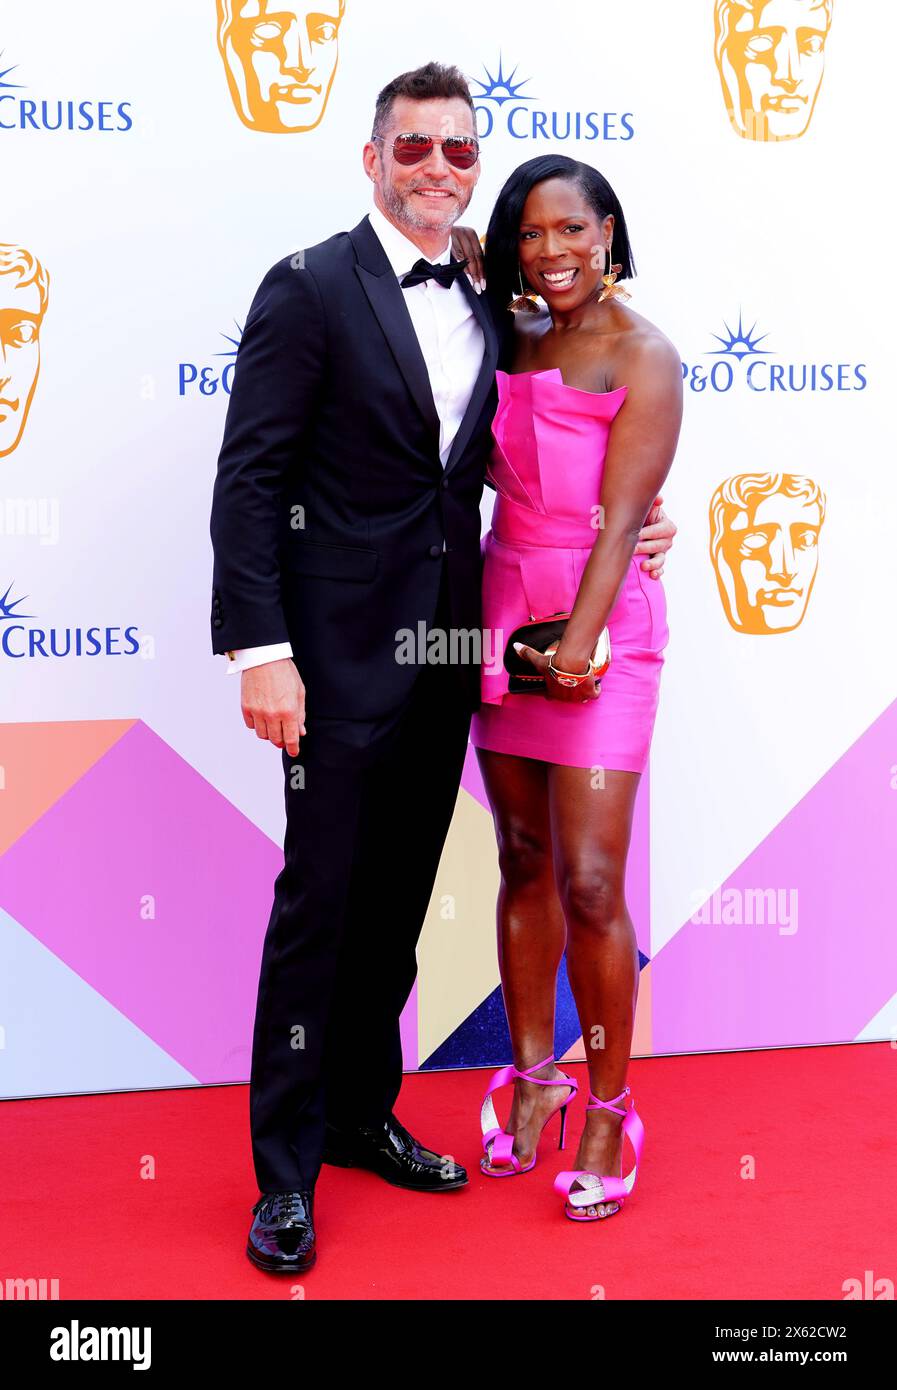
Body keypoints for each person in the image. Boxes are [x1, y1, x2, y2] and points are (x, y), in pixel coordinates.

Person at [209, 64, 678, 1273]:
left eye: (458, 149)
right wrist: (263, 651)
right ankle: (286, 1173)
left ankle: (362, 1116)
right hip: (327, 660)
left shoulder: (489, 296)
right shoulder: (309, 286)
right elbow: (251, 479)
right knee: (318, 908)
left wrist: (635, 525)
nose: (436, 166)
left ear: (476, 167)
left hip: (457, 652)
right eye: (412, 146)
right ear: (373, 158)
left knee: (395, 908)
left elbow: (543, 451)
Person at [465, 155, 683, 1221]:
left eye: (571, 229)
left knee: (592, 882)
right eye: (530, 232)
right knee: (521, 856)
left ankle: (608, 1105)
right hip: (503, 608)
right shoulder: (502, 331)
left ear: (608, 233)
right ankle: (533, 1076)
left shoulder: (645, 353)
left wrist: (579, 648)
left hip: (600, 627)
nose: (552, 251)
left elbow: (625, 518)